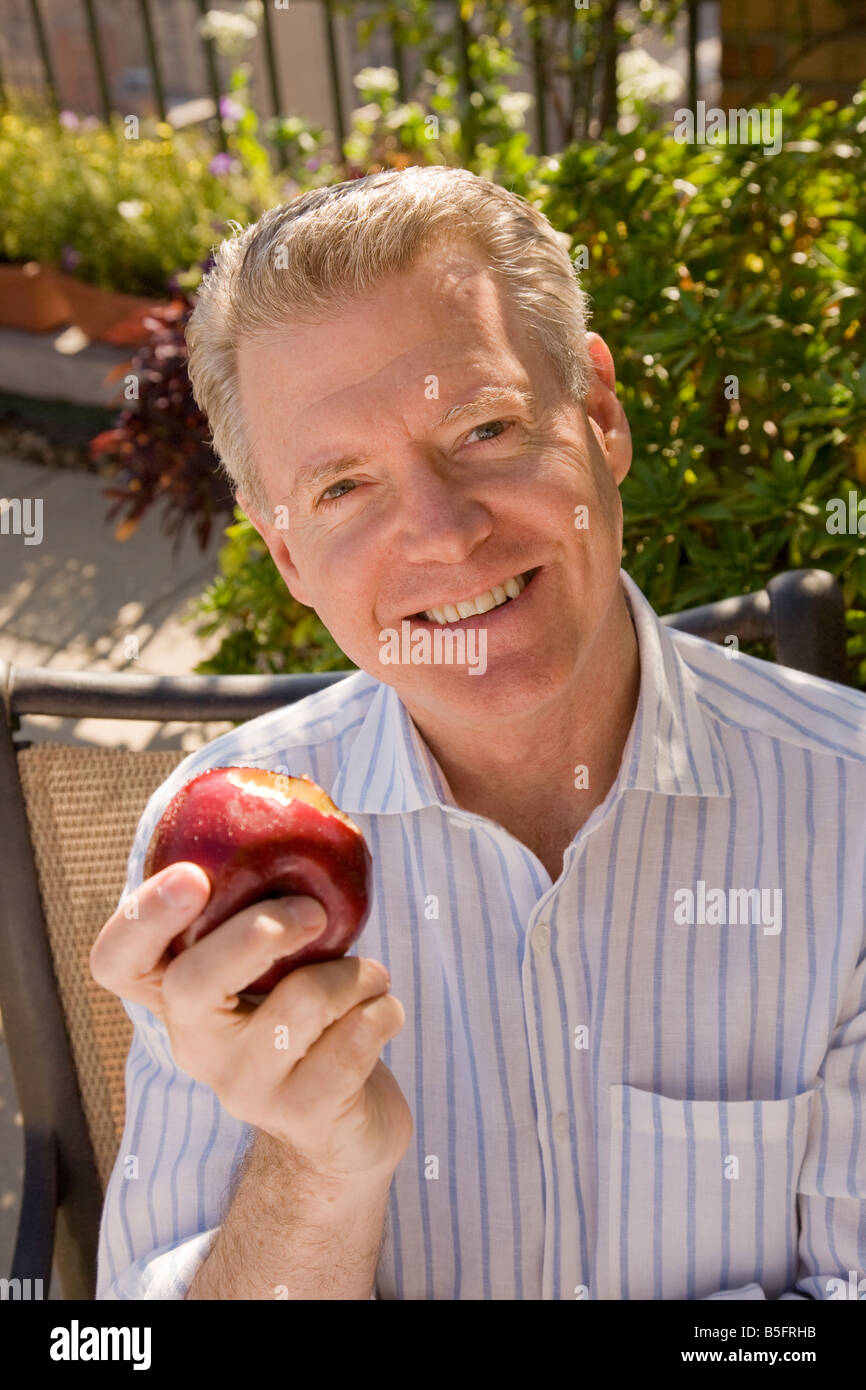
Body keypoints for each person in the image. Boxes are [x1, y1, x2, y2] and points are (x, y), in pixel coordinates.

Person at [90, 165, 866, 1301]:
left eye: (485, 426)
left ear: (598, 418)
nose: (444, 535)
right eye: (345, 486)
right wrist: (316, 1166)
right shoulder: (213, 885)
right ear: (288, 555)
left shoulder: (847, 810)